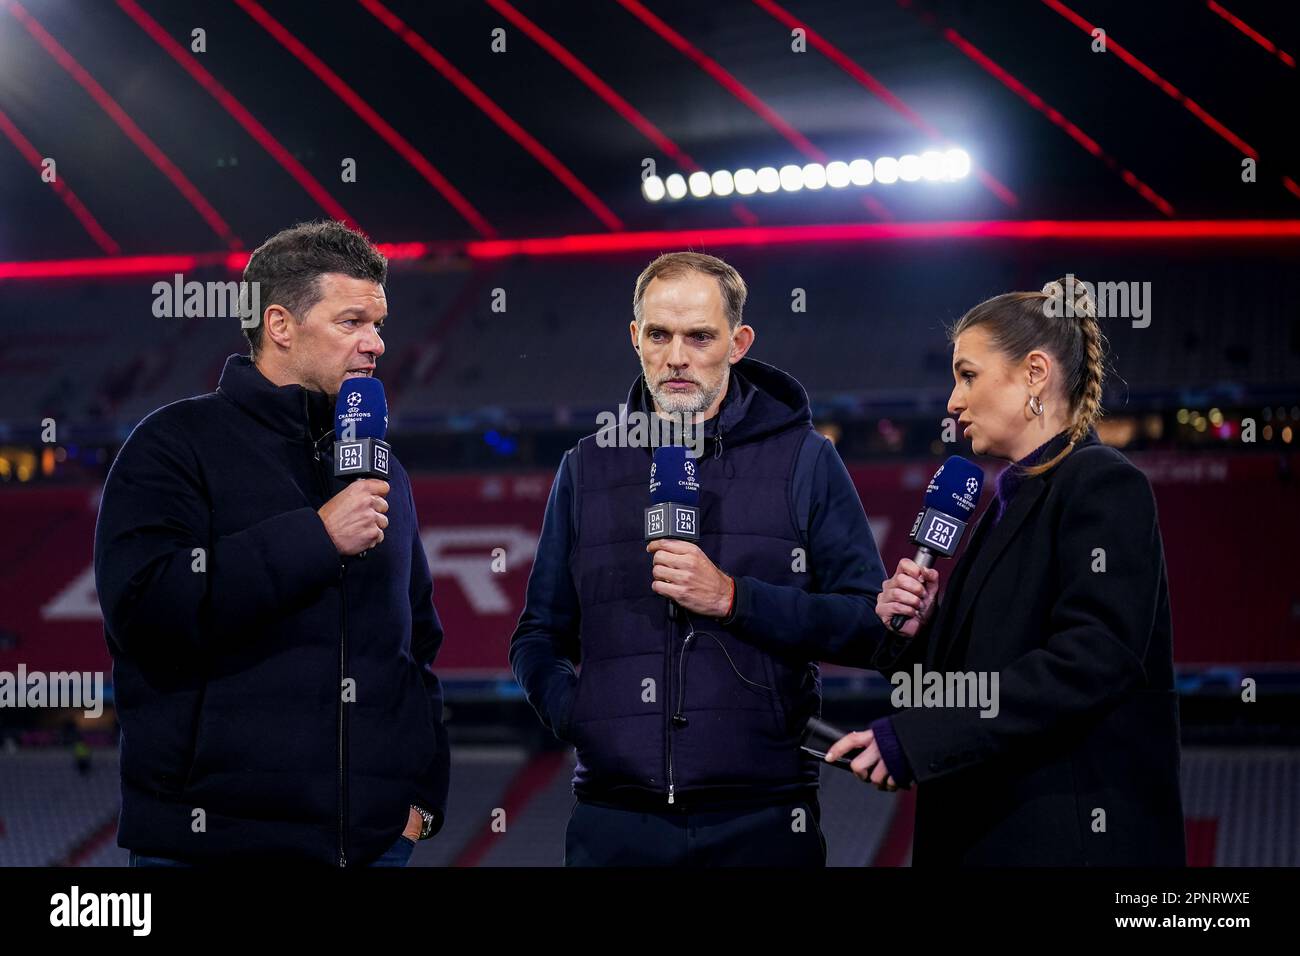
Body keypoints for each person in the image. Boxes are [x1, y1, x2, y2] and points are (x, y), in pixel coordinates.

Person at [511, 251, 888, 866]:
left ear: (738, 343)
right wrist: (579, 715)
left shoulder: (807, 460)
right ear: (635, 338)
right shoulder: (587, 466)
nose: (677, 356)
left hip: (763, 817)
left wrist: (733, 599)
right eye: (659, 334)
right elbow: (538, 634)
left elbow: (867, 626)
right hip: (613, 819)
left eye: (700, 336)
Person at [94, 221, 449, 866]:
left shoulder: (380, 465)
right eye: (352, 322)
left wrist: (420, 800)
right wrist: (314, 537)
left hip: (372, 848)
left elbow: (415, 641)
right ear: (280, 324)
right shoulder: (175, 444)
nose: (377, 344)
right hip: (213, 847)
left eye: (378, 323)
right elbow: (144, 611)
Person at [828, 276, 1185, 866]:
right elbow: (989, 666)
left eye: (968, 375)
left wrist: (918, 741)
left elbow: (1090, 663)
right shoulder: (1008, 500)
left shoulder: (1100, 483)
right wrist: (921, 631)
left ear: (1035, 375)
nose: (951, 400)